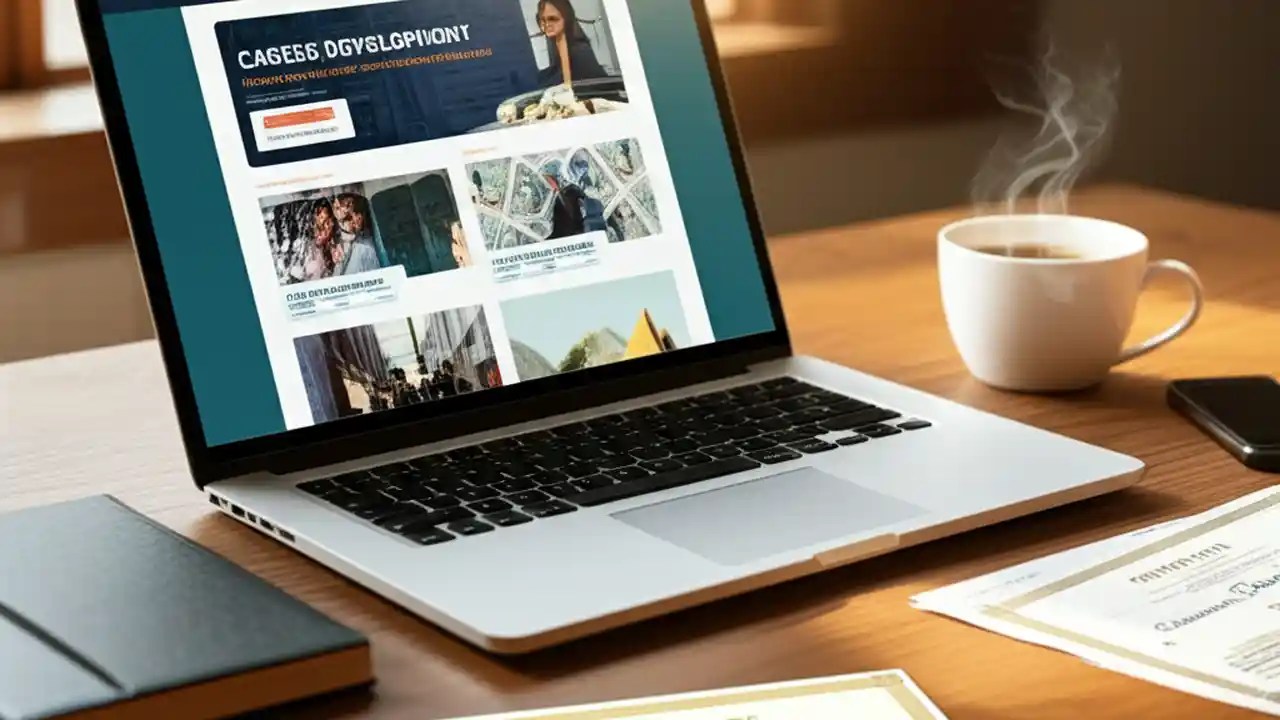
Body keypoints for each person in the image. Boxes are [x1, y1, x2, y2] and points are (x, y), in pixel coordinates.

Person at [535, 0, 607, 88]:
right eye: (542, 20)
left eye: (552, 19)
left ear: (566, 18)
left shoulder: (581, 52)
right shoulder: (554, 46)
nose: (546, 24)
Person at [330, 193, 382, 276]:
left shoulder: (365, 248)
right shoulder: (339, 241)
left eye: (357, 212)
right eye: (347, 219)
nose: (355, 220)